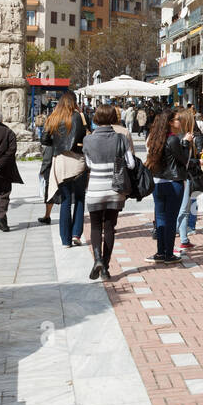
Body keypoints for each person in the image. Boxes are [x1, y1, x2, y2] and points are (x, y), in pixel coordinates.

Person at [84, 104, 136, 281]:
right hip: (116, 188)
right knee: (109, 227)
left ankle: (97, 258)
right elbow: (131, 164)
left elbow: (89, 164)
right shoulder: (121, 138)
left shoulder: (88, 140)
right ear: (114, 117)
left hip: (95, 187)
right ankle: (105, 267)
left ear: (96, 118)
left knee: (96, 226)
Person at [41, 92, 89, 247]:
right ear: (74, 102)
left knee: (65, 200)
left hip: (60, 160)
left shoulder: (53, 117)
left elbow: (45, 140)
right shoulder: (80, 117)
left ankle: (65, 239)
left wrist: (57, 143)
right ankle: (76, 234)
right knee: (80, 198)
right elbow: (86, 137)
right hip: (78, 160)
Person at [145, 110, 189, 263]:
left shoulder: (155, 139)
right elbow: (184, 160)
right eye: (178, 119)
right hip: (173, 182)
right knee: (170, 219)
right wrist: (186, 143)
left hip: (158, 183)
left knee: (160, 218)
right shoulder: (173, 140)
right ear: (170, 122)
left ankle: (160, 252)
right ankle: (169, 253)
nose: (180, 122)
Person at [176, 107, 203, 251]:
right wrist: (196, 160)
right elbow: (182, 159)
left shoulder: (188, 136)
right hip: (182, 177)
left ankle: (184, 239)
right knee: (182, 209)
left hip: (186, 177)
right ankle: (174, 236)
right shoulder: (181, 137)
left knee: (186, 209)